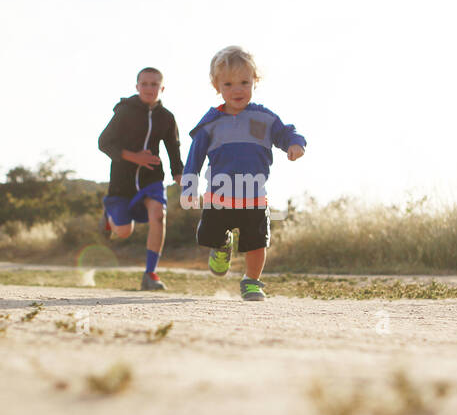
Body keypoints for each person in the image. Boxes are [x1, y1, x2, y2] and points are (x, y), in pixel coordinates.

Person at [181, 46, 306, 301]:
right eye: (228, 84)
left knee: (257, 242)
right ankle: (221, 245)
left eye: (244, 82)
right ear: (217, 86)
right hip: (219, 196)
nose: (237, 90)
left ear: (254, 82)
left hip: (254, 195)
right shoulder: (211, 123)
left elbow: (285, 132)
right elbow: (194, 157)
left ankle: (251, 281)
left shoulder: (264, 118)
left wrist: (295, 143)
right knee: (211, 235)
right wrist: (189, 185)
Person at [97, 67, 183, 290]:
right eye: (144, 84)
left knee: (158, 215)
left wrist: (179, 173)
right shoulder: (124, 111)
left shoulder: (166, 118)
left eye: (154, 84)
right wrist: (134, 157)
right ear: (137, 87)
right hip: (122, 181)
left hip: (151, 179)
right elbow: (104, 142)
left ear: (161, 88)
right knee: (124, 231)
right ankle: (109, 214)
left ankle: (150, 274)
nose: (149, 88)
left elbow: (174, 148)